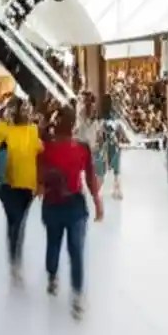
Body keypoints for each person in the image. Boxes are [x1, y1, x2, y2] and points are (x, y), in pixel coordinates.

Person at [38, 105, 104, 319]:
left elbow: (39, 173)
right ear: (74, 124)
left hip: (52, 203)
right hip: (75, 204)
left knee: (53, 243)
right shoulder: (82, 148)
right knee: (76, 251)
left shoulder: (47, 147)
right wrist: (97, 201)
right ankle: (76, 295)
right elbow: (90, 177)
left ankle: (52, 277)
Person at [0, 97, 42, 278]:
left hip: (11, 184)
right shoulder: (32, 130)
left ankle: (14, 255)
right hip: (23, 184)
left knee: (14, 220)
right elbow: (40, 152)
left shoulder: (3, 129)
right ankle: (16, 255)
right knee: (19, 219)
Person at [93, 94, 124, 200]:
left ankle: (96, 192)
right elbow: (120, 131)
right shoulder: (116, 116)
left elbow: (98, 133)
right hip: (114, 145)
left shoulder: (100, 117)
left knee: (100, 172)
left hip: (103, 146)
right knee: (116, 170)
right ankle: (117, 191)